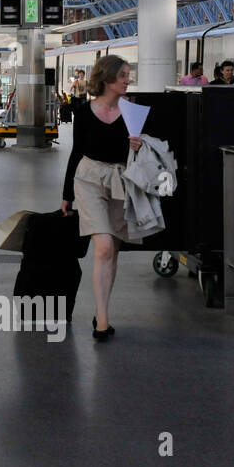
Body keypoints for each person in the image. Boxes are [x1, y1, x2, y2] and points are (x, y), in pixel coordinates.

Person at [60, 55, 144, 341]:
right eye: (123, 75)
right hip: (89, 179)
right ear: (107, 78)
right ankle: (102, 324)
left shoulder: (132, 112)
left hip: (120, 180)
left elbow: (142, 154)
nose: (127, 79)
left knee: (113, 252)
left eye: (128, 74)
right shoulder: (83, 112)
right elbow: (76, 152)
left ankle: (102, 311)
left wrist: (137, 145)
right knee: (103, 247)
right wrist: (66, 195)